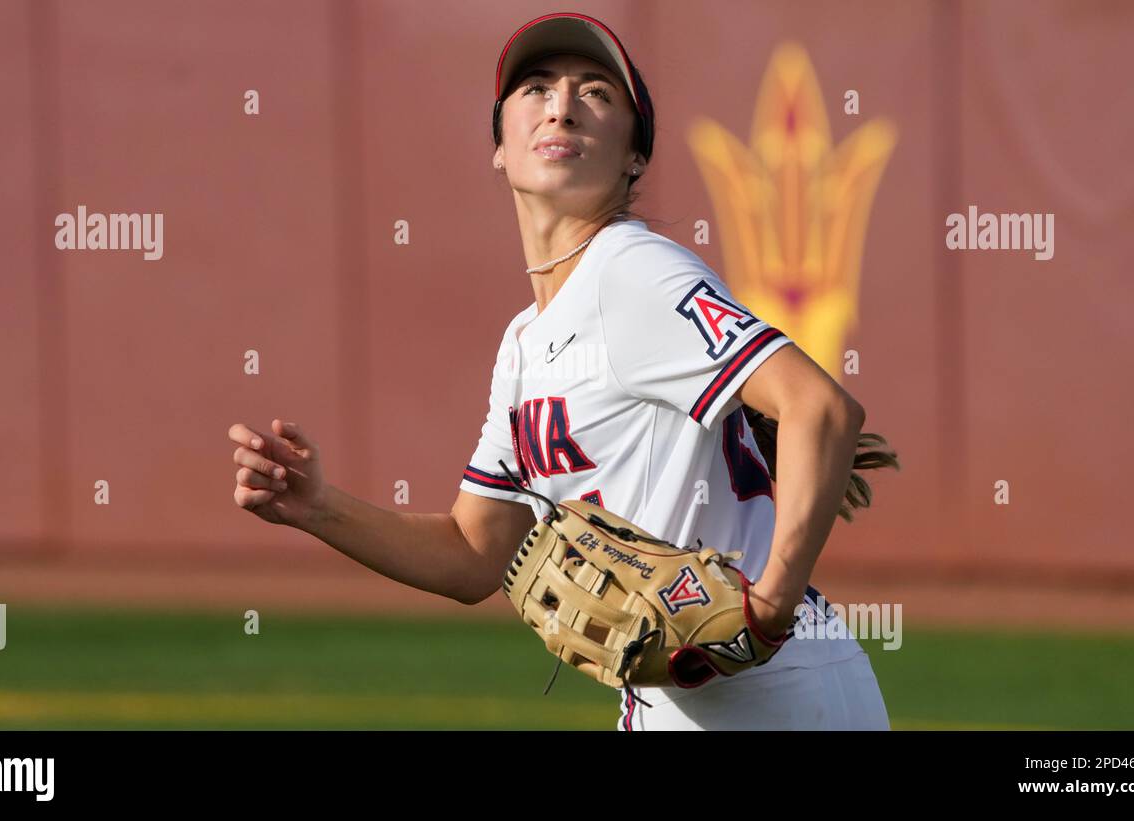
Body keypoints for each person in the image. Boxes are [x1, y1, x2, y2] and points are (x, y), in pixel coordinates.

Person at [227, 12, 897, 730]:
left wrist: (768, 607)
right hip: (702, 702)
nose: (562, 104)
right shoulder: (525, 342)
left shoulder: (630, 270)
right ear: (499, 148)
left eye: (597, 93)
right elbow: (475, 553)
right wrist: (318, 507)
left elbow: (821, 410)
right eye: (537, 88)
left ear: (634, 158)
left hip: (767, 697)